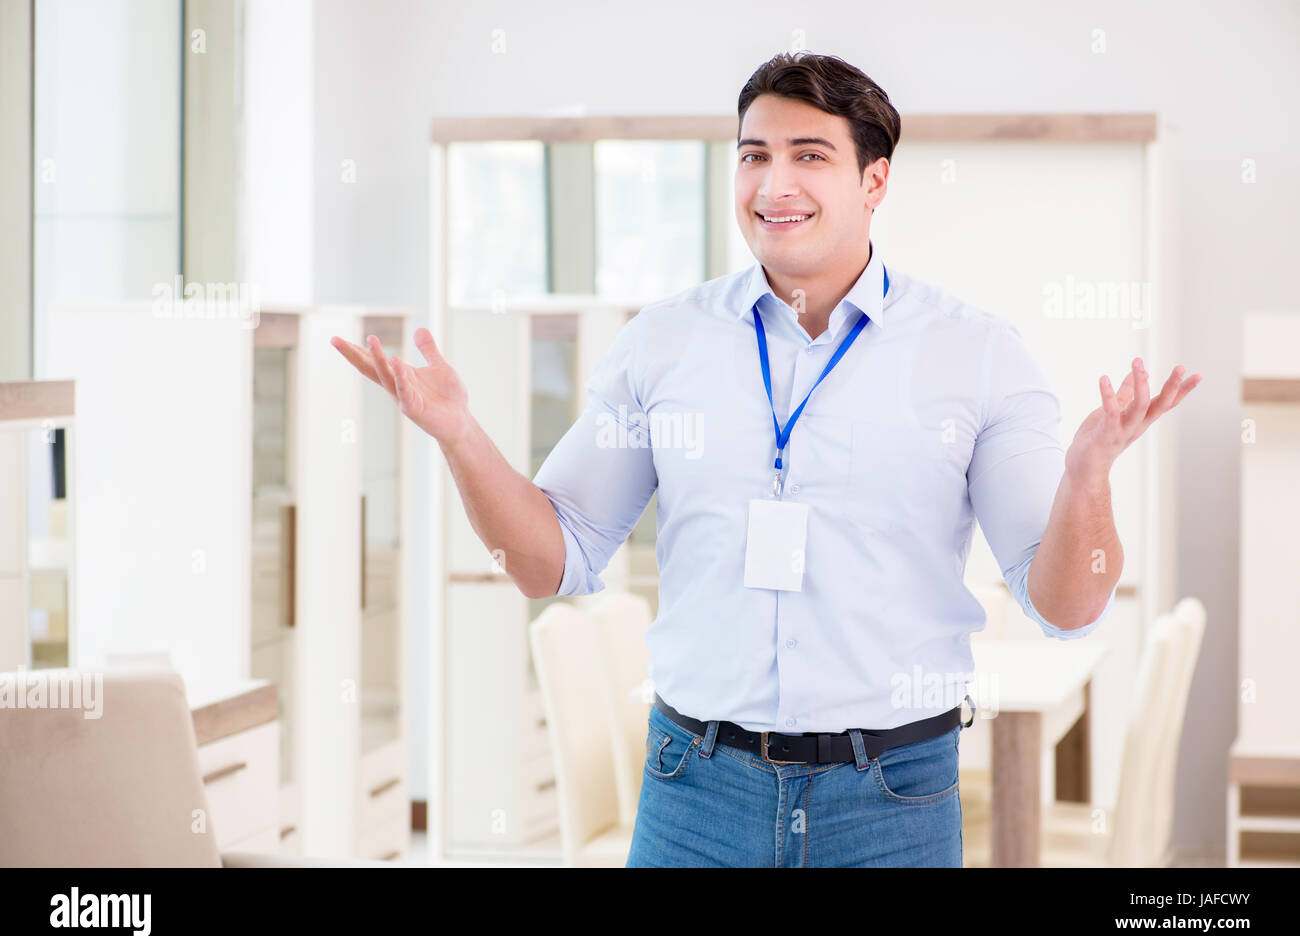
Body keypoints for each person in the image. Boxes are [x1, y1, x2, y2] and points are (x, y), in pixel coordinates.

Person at [332, 51, 1201, 867]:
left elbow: (1067, 608)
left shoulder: (974, 355)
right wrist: (461, 435)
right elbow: (549, 558)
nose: (773, 183)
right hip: (694, 792)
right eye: (753, 156)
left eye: (809, 155)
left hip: (891, 798)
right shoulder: (664, 343)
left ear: (874, 180)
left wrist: (1089, 478)